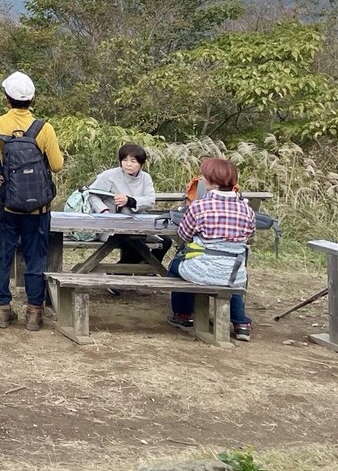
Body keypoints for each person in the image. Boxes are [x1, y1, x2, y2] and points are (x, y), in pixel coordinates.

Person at [0, 71, 64, 332]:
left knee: (1, 254)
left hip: (5, 200)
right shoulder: (44, 128)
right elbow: (56, 166)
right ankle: (34, 312)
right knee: (36, 255)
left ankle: (2, 310)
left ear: (6, 99)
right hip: (37, 204)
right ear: (32, 99)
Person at [167, 156, 256, 342]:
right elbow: (250, 235)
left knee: (175, 264)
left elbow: (184, 235)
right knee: (230, 276)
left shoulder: (200, 206)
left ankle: (183, 314)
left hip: (202, 270)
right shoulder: (246, 209)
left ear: (211, 180)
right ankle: (241, 323)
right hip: (235, 272)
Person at [87, 143, 167, 266]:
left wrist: (130, 201)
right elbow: (92, 194)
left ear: (141, 163)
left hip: (138, 224)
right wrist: (104, 211)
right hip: (112, 227)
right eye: (125, 160)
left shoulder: (145, 178)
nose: (128, 164)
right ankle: (116, 275)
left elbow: (150, 200)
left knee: (166, 242)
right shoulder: (109, 175)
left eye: (133, 161)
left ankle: (147, 270)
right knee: (137, 248)